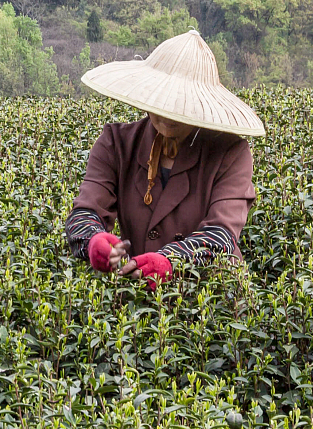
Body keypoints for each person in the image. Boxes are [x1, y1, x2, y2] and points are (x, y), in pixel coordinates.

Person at [63, 30, 265, 293]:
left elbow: (221, 234)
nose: (171, 112)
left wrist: (171, 260)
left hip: (212, 305)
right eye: (167, 98)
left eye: (184, 102)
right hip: (137, 299)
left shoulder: (230, 153)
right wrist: (95, 242)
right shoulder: (117, 143)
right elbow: (84, 213)